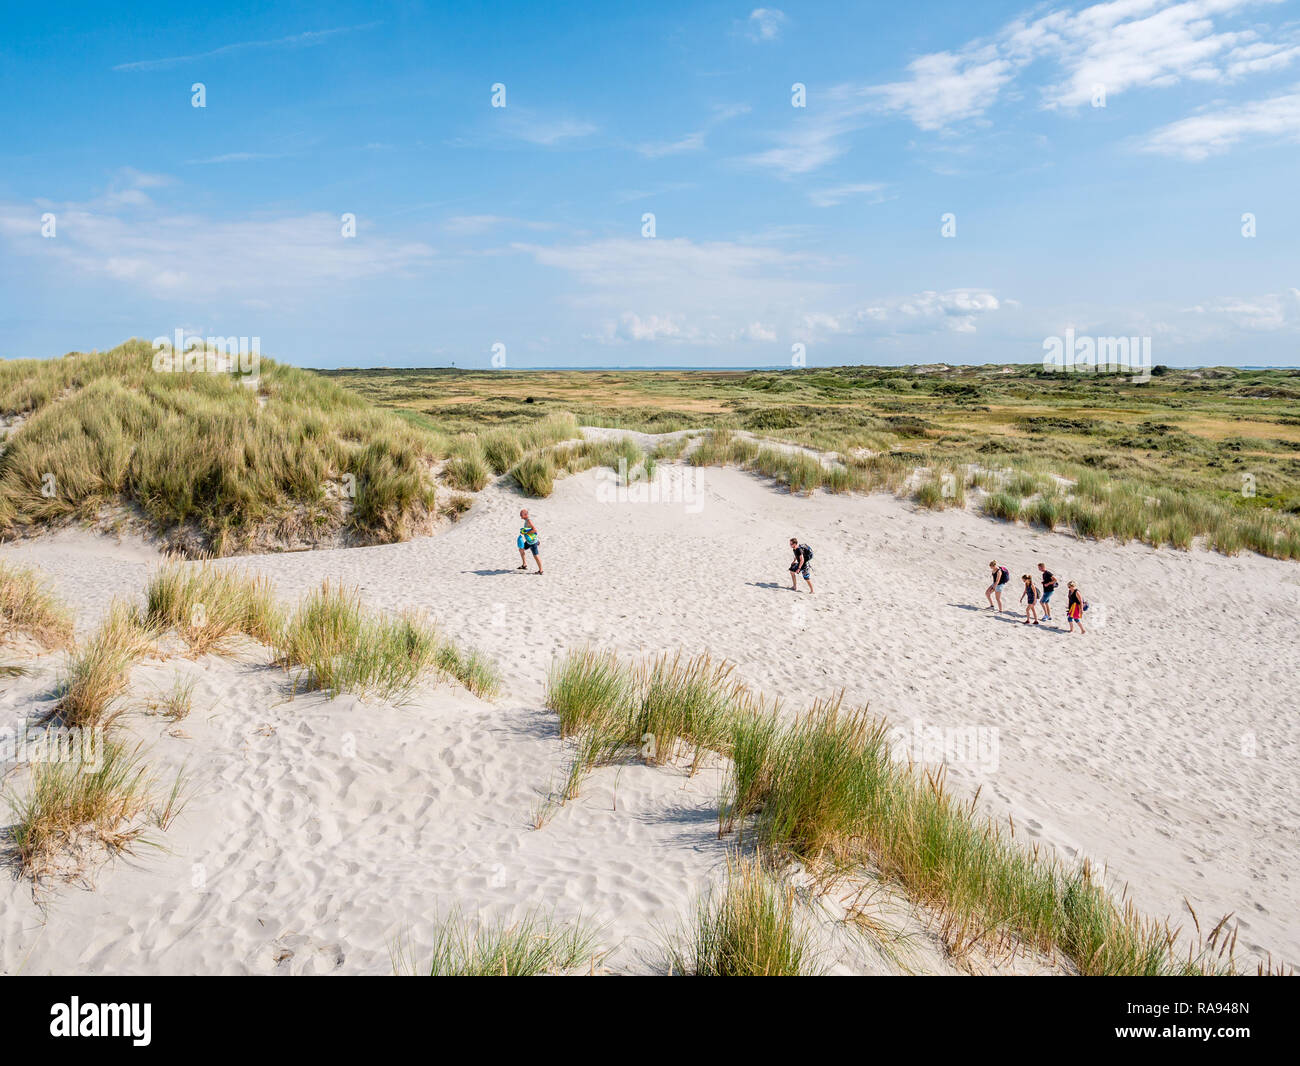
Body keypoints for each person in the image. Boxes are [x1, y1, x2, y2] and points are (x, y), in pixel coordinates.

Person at [516, 509, 542, 574]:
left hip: (532, 542)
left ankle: (541, 570)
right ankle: (524, 565)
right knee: (521, 549)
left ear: (525, 515)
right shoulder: (526, 521)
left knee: (536, 556)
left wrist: (526, 532)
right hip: (528, 541)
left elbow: (535, 530)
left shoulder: (529, 521)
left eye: (521, 514)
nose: (520, 516)